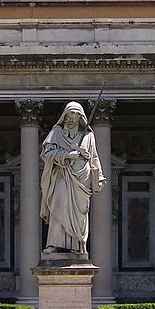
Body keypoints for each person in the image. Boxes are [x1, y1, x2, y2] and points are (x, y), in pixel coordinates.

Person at [40, 101, 105, 255]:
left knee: (79, 216)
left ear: (80, 118)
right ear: (64, 117)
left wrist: (99, 177)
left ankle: (77, 245)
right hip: (62, 176)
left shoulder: (88, 136)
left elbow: (94, 158)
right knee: (59, 206)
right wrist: (67, 155)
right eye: (69, 117)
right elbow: (47, 153)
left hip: (81, 180)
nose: (71, 120)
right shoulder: (56, 133)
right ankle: (54, 243)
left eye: (75, 117)